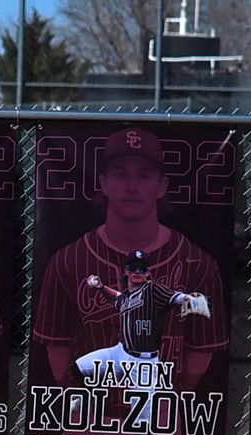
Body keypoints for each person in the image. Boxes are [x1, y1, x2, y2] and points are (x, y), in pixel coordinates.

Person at [33, 126, 226, 390]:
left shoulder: (197, 262)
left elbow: (201, 350)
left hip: (158, 401)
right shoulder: (68, 260)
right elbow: (56, 346)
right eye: (120, 174)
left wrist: (174, 398)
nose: (132, 187)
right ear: (103, 183)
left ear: (162, 186)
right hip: (86, 416)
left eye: (144, 175)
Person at [77, 250, 211, 381]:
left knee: (143, 403)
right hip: (120, 353)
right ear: (126, 271)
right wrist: (101, 287)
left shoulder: (152, 289)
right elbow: (117, 299)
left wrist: (191, 300)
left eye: (142, 269)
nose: (137, 272)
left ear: (147, 273)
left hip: (145, 363)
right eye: (133, 268)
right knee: (79, 368)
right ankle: (90, 399)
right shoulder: (126, 297)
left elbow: (175, 297)